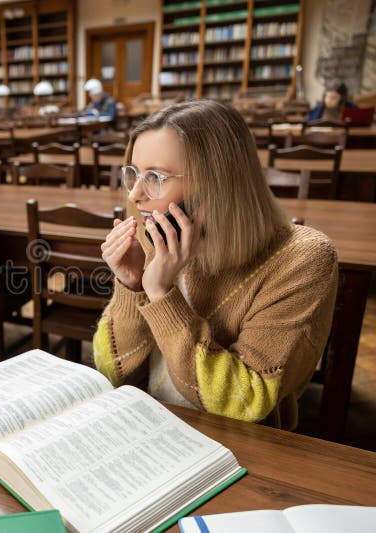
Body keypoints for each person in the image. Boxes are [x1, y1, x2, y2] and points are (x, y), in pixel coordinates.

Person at [93, 100, 338, 430]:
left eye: (156, 176)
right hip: (149, 427)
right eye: (133, 174)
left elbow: (246, 402)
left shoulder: (303, 259)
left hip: (235, 444)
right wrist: (132, 286)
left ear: (218, 183)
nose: (135, 195)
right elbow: (111, 370)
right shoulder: (156, 236)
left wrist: (161, 295)